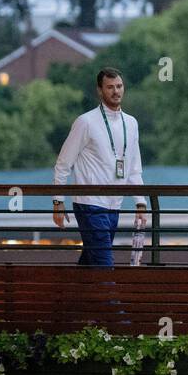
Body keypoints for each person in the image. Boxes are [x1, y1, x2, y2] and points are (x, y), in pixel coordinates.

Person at [52, 68, 148, 266]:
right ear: (100, 90)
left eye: (119, 86)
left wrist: (140, 202)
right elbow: (64, 162)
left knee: (91, 262)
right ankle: (111, 298)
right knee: (104, 264)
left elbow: (134, 167)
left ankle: (74, 295)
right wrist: (57, 202)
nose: (116, 91)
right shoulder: (85, 122)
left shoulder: (131, 123)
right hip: (89, 203)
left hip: (114, 205)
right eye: (110, 87)